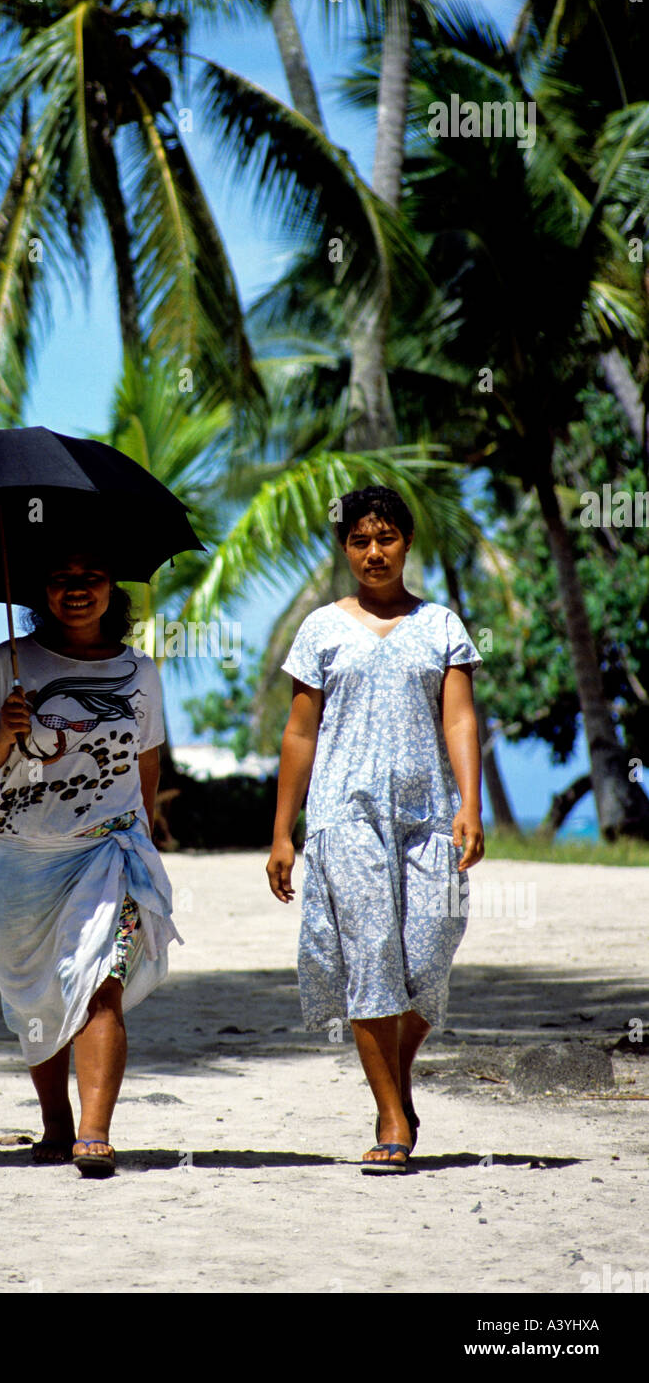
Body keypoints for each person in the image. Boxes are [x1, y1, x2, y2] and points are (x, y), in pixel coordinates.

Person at [266, 486, 484, 1174]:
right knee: (370, 964)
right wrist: (283, 833)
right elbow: (298, 734)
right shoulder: (321, 629)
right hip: (343, 818)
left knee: (427, 955)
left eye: (384, 538)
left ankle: (396, 1071)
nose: (372, 552)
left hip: (428, 818)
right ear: (344, 549)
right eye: (359, 541)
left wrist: (469, 805)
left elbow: (458, 720)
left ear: (405, 542)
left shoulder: (441, 624)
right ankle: (392, 1116)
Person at [0, 549, 182, 1177]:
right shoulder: (8, 662)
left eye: (90, 577)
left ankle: (94, 1131)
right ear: (42, 591)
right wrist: (6, 730)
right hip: (24, 856)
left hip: (106, 851)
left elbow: (147, 762)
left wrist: (144, 837)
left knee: (99, 984)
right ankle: (54, 1123)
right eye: (60, 578)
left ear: (113, 588)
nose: (77, 590)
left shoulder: (139, 671)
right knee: (31, 995)